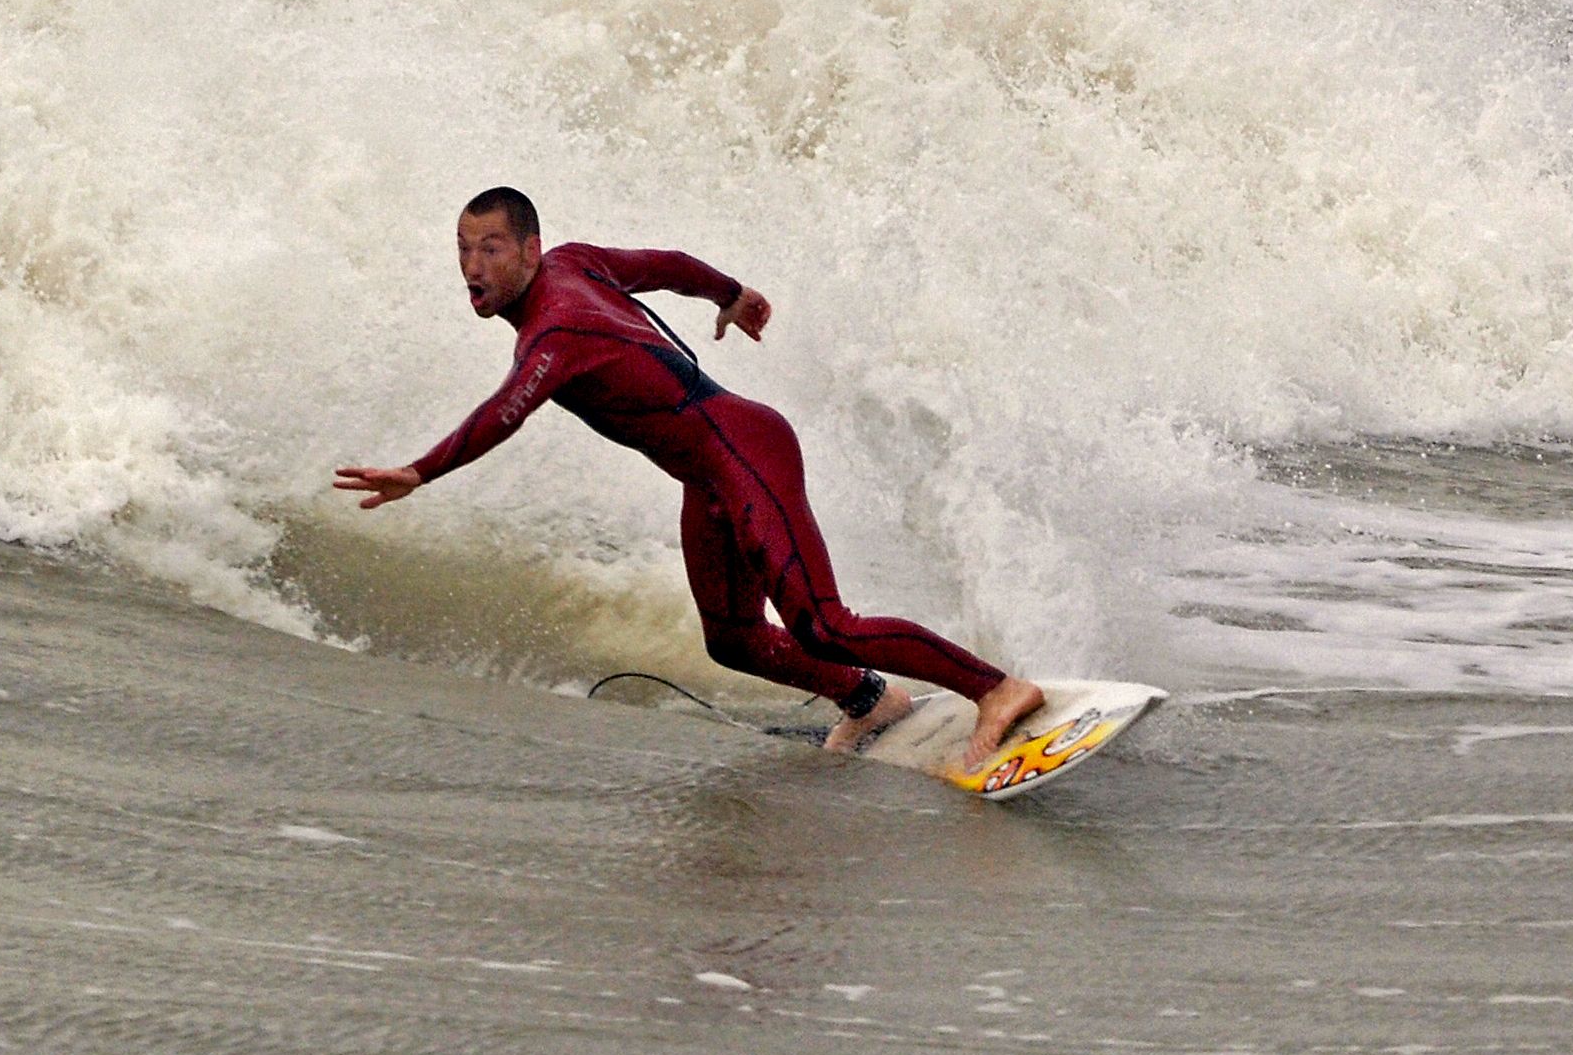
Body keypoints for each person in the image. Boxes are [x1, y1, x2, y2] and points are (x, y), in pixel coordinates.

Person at [333, 187, 1049, 773]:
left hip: (744, 450)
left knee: (822, 622)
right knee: (733, 639)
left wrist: (420, 471)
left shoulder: (555, 330)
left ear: (530, 250)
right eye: (462, 249)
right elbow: (667, 264)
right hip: (705, 479)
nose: (472, 266)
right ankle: (869, 700)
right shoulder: (577, 266)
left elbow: (506, 410)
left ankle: (995, 687)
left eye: (490, 249)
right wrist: (729, 294)